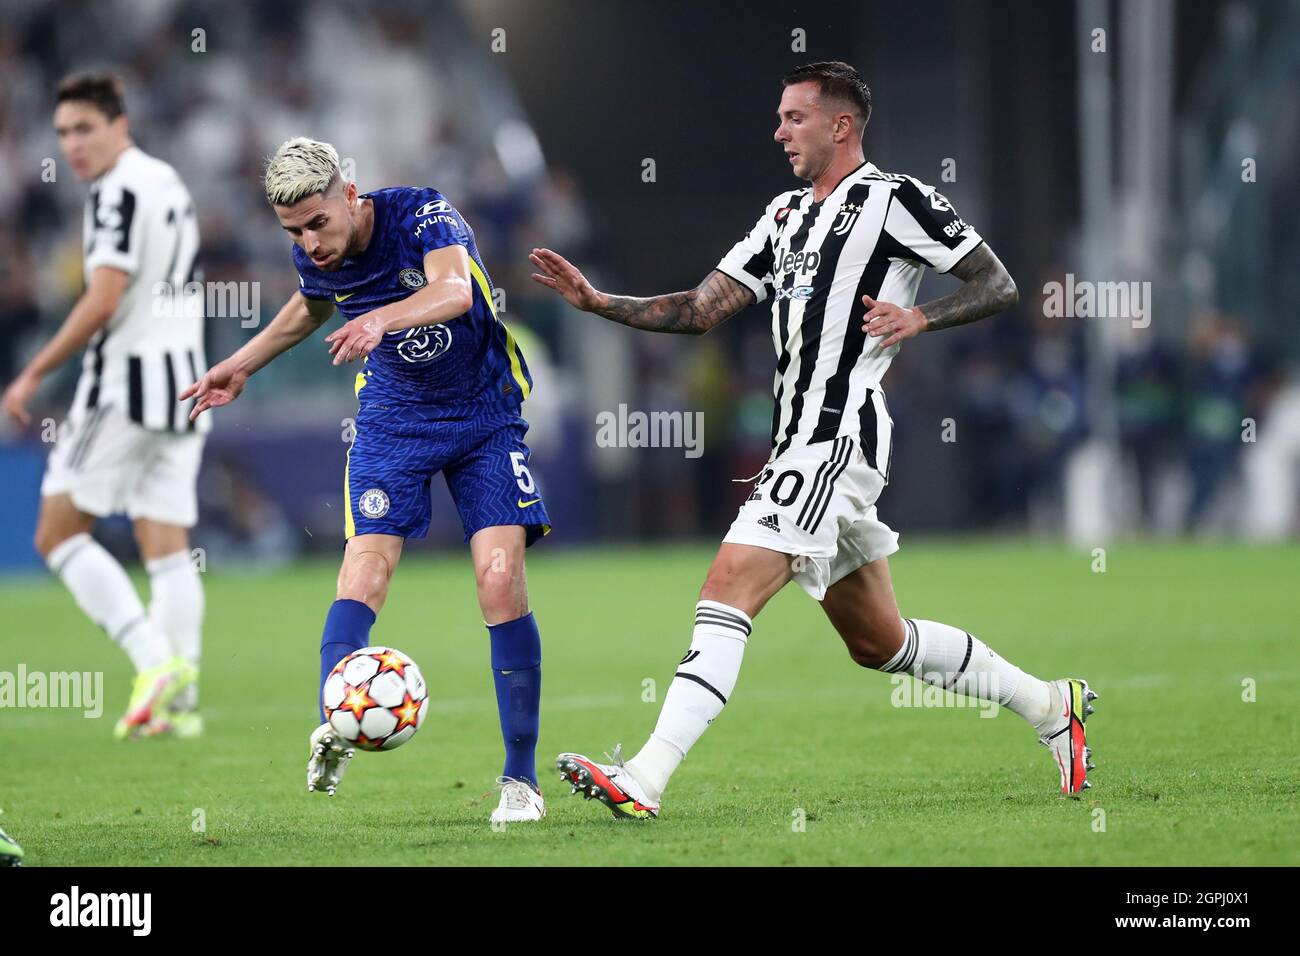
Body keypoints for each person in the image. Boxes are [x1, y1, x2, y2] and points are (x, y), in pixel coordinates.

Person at [530, 61, 1096, 819]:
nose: (779, 130)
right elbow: (701, 309)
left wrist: (922, 318)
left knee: (728, 581)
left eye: (794, 117)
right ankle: (1050, 704)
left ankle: (648, 776)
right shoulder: (785, 216)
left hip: (837, 437)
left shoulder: (899, 201)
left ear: (842, 125)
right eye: (778, 116)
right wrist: (599, 303)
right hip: (796, 440)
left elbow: (997, 284)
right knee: (879, 642)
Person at [182, 138, 551, 823]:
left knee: (499, 581)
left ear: (350, 196)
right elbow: (311, 304)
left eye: (319, 223)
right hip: (393, 419)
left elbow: (453, 289)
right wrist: (241, 364)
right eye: (294, 232)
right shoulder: (314, 254)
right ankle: (337, 717)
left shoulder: (423, 214)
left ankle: (520, 781)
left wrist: (381, 317)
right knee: (363, 573)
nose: (311, 242)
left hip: (484, 412)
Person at [2, 73, 207, 739]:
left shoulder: (116, 190)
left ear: (120, 123)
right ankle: (178, 704)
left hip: (126, 385)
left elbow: (103, 299)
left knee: (56, 534)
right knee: (167, 546)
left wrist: (32, 370)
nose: (72, 144)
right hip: (187, 383)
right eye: (62, 132)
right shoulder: (166, 179)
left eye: (84, 128)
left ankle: (154, 664)